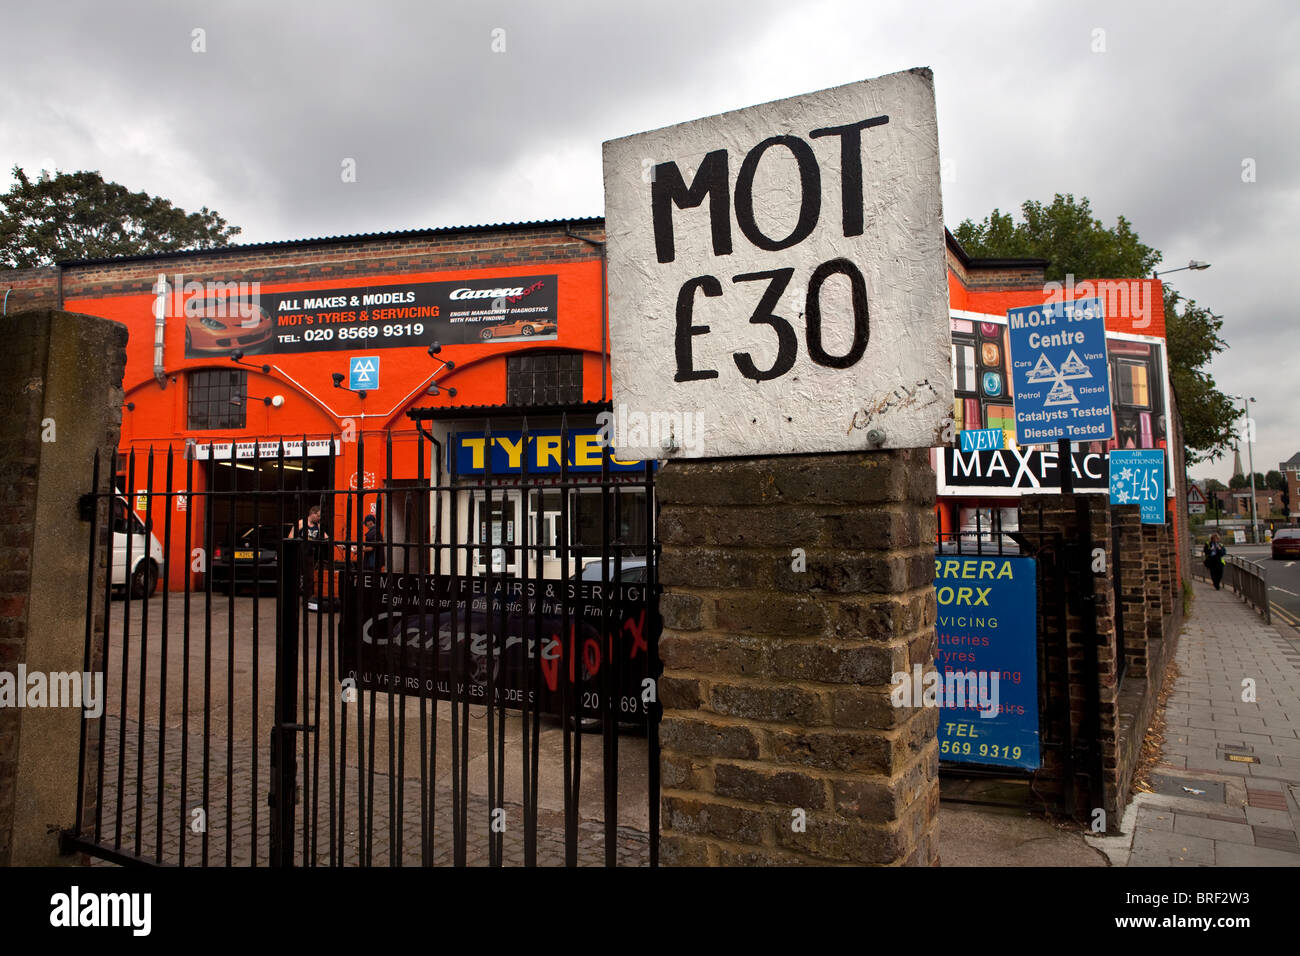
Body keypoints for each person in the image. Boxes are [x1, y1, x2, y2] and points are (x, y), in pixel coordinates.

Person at [288, 505, 329, 609]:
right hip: (300, 554)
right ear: (313, 514)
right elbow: (290, 537)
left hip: (310, 555)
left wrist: (340, 544)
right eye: (318, 516)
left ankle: (307, 600)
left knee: (309, 578)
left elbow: (326, 537)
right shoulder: (301, 523)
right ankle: (292, 600)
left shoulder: (317, 526)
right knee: (297, 577)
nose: (319, 518)